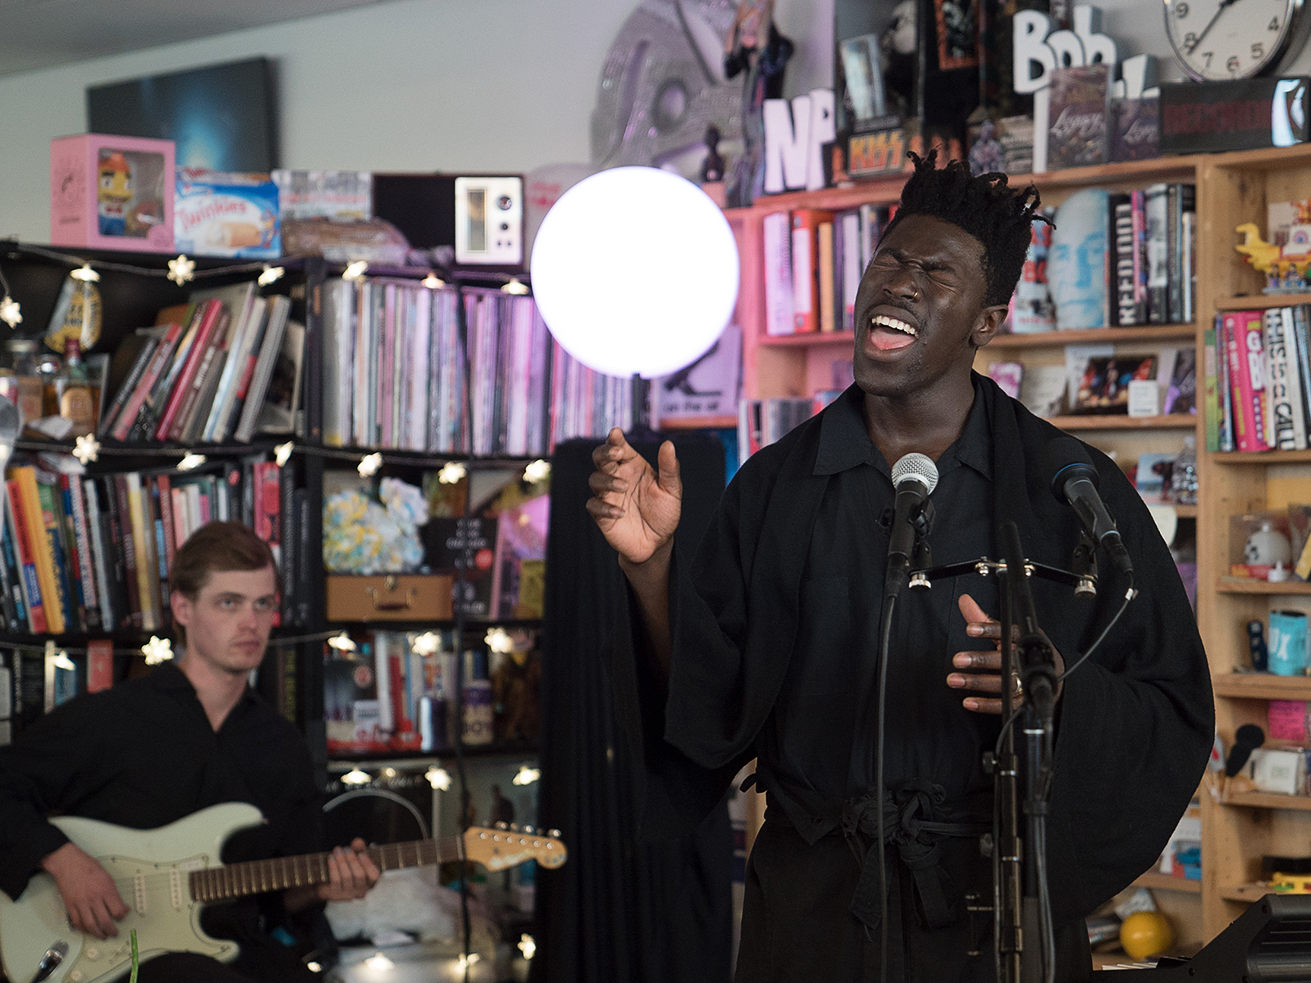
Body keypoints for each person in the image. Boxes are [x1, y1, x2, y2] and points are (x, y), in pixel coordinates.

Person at [587, 152, 1213, 982]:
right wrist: (652, 569)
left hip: (994, 911)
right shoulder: (775, 487)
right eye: (889, 260)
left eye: (935, 272)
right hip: (811, 916)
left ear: (985, 321)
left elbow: (1169, 706)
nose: (901, 283)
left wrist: (1057, 691)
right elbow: (707, 708)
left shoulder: (1068, 488)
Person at [0, 521, 380, 983]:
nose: (251, 623)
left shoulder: (282, 745)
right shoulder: (112, 718)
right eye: (229, 603)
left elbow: (281, 898)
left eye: (263, 604)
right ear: (182, 607)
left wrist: (328, 885)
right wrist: (62, 859)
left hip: (230, 951)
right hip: (111, 954)